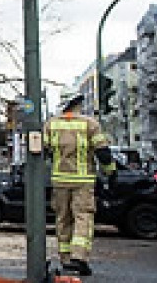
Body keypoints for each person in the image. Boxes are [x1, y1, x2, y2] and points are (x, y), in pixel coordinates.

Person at [44, 93, 114, 276]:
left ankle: (65, 259)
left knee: (63, 219)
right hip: (83, 181)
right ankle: (79, 258)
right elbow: (103, 153)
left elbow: (42, 151)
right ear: (78, 103)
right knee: (83, 217)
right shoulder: (89, 124)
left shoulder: (52, 124)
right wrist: (111, 171)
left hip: (59, 180)